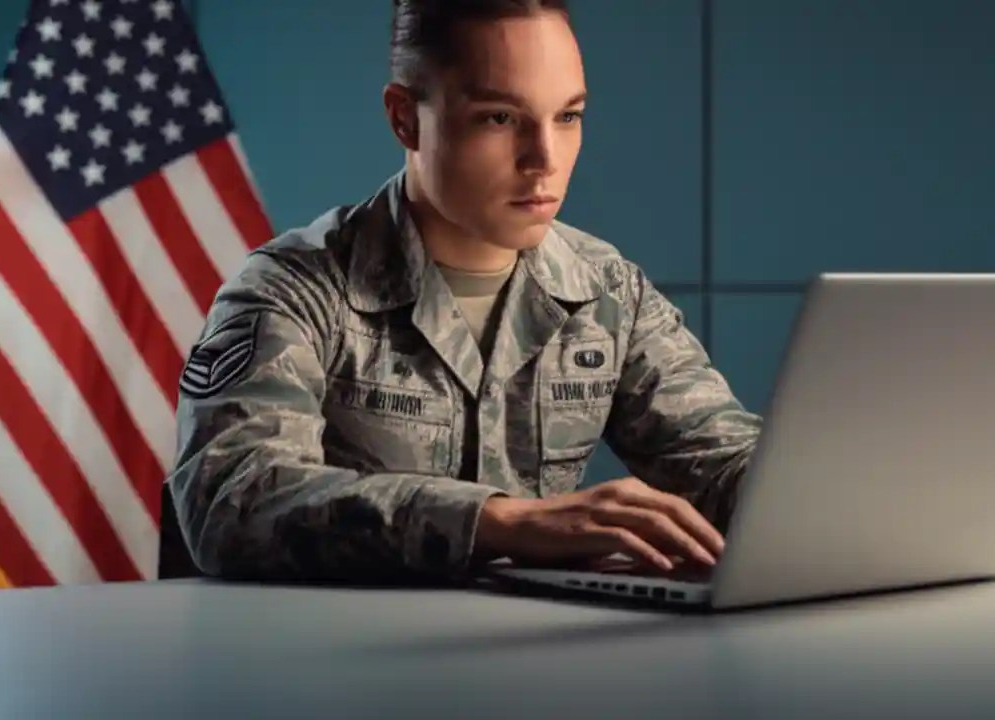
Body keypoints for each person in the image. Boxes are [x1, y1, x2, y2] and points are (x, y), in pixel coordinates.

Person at [164, 0, 761, 584]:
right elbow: (232, 498)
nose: (544, 159)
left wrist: (826, 493)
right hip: (329, 670)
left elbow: (723, 465)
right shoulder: (293, 290)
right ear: (404, 118)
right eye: (500, 118)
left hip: (530, 667)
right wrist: (495, 522)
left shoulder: (610, 295)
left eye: (568, 117)